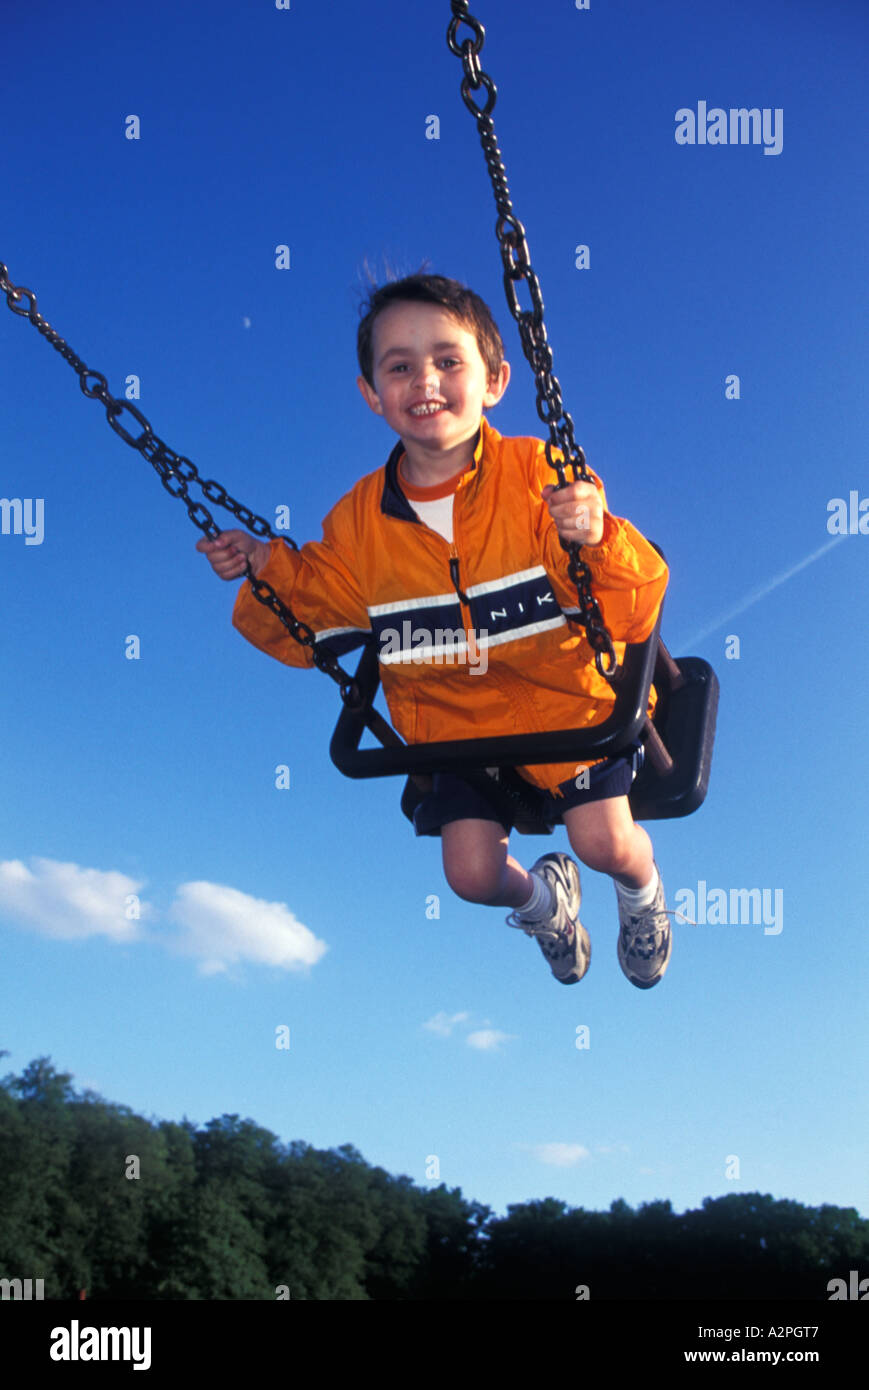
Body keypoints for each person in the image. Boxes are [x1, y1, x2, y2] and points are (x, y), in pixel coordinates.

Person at [197, 273, 674, 988]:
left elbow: (629, 605)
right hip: (452, 726)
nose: (425, 379)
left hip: (564, 704)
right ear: (371, 393)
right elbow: (310, 617)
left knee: (604, 842)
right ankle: (547, 906)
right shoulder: (358, 521)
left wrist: (596, 535)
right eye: (399, 366)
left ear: (495, 381)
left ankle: (642, 899)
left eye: (448, 360)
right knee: (471, 875)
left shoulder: (537, 476)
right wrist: (265, 570)